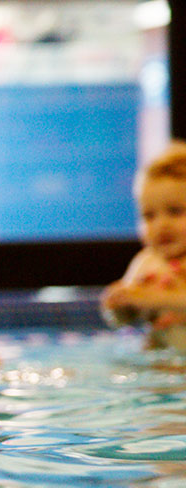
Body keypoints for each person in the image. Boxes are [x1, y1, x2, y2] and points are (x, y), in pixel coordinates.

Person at [102, 140, 186, 350]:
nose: (161, 225)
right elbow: (124, 321)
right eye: (149, 216)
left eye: (175, 211)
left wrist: (157, 299)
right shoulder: (146, 262)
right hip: (159, 365)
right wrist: (118, 305)